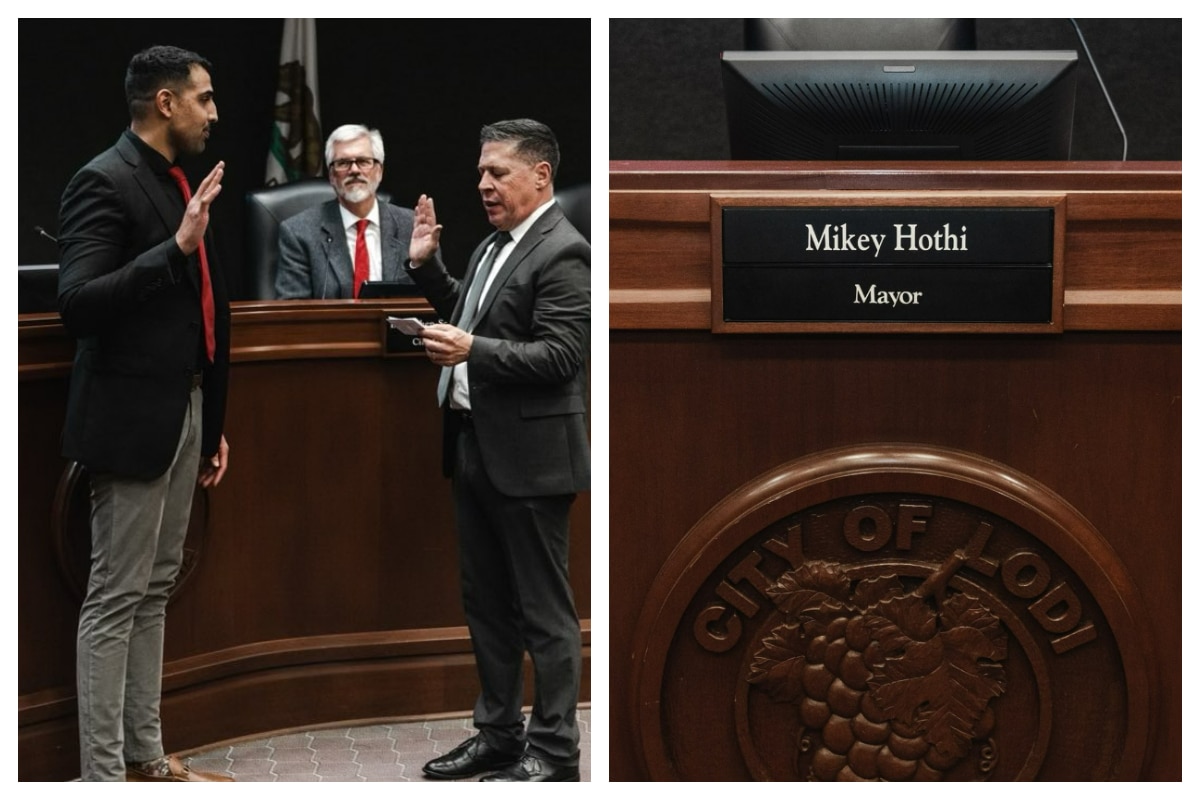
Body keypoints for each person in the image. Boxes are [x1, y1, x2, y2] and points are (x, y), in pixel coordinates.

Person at [57, 45, 232, 782]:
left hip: (183, 410)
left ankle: (146, 755)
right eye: (204, 97)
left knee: (157, 586)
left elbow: (204, 314)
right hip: (129, 420)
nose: (215, 112)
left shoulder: (175, 177)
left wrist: (214, 417)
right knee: (116, 596)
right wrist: (176, 246)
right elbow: (78, 305)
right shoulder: (104, 179)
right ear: (165, 102)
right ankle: (103, 778)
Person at [407, 119, 590, 782]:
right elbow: (469, 314)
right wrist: (429, 268)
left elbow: (563, 355)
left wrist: (471, 351)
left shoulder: (563, 250)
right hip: (474, 445)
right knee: (485, 602)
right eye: (481, 172)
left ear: (540, 176)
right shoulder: (494, 245)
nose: (483, 184)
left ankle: (556, 752)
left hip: (533, 457)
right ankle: (499, 734)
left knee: (544, 613)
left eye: (498, 172)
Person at [275, 124, 427, 299]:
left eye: (363, 161)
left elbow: (435, 301)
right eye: (343, 163)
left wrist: (421, 264)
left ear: (379, 171)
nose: (354, 170)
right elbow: (293, 310)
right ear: (332, 175)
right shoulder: (299, 233)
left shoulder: (411, 226)